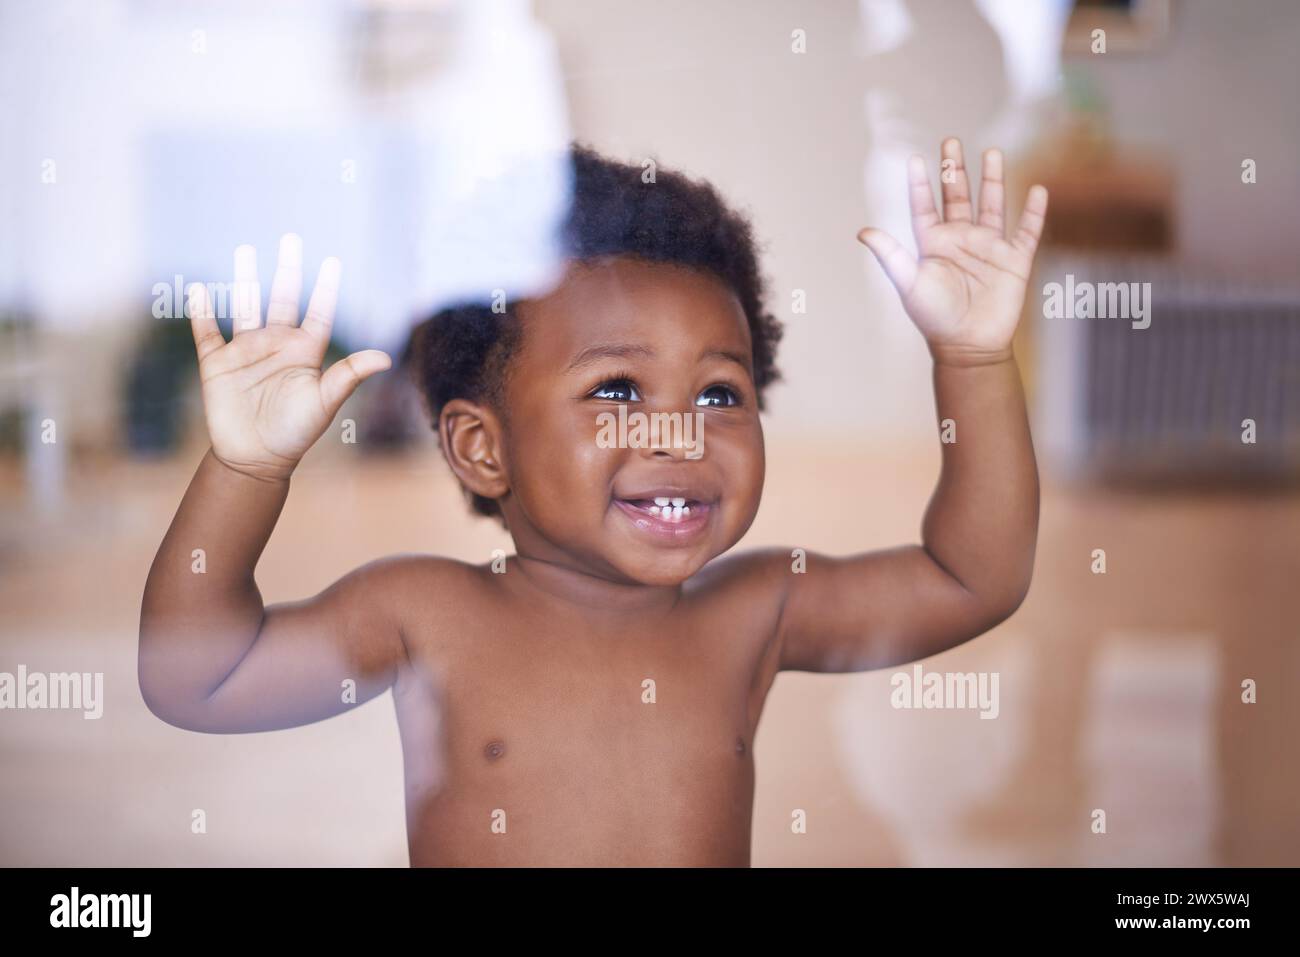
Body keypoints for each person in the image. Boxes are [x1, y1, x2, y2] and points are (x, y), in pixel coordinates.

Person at [138, 138, 1047, 866]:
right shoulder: (423, 612)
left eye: (719, 394)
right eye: (617, 391)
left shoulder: (758, 611)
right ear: (481, 446)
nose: (678, 435)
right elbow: (196, 679)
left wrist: (970, 360)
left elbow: (976, 575)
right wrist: (248, 470)